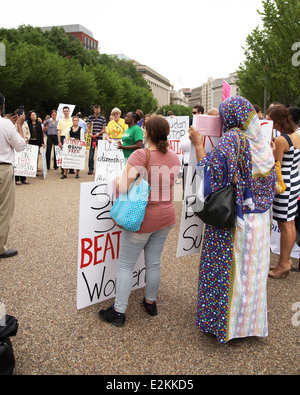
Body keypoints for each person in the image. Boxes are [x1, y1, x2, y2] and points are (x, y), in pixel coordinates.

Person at [189, 96, 276, 344]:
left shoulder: (233, 137)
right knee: (253, 275)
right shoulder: (261, 140)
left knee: (228, 271)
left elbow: (212, 173)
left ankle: (227, 327)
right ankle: (248, 325)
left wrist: (198, 145)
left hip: (235, 222)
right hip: (259, 220)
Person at [99, 115, 180, 326]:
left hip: (143, 217)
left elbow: (123, 187)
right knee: (154, 262)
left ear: (147, 132)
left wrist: (117, 181)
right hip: (166, 215)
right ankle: (150, 302)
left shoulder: (139, 155)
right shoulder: (174, 157)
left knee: (126, 265)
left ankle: (118, 312)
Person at [267, 104, 300, 279]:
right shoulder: (295, 134)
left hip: (283, 185)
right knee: (290, 223)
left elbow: (275, 163)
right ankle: (284, 261)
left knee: (285, 225)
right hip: (293, 181)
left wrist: (272, 151)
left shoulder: (281, 140)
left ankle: (283, 264)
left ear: (277, 123)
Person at [0, 93, 26, 258]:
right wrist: (19, 126)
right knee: (4, 209)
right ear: (2, 106)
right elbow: (21, 145)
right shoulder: (6, 125)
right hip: (3, 168)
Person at [86, 105, 106, 175]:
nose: (97, 110)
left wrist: (99, 133)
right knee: (91, 154)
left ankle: (100, 169)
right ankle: (90, 169)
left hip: (99, 138)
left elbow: (104, 129)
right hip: (92, 137)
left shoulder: (102, 118)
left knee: (100, 154)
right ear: (94, 110)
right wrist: (90, 133)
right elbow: (88, 127)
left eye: (98, 109)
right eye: (95, 109)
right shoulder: (90, 118)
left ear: (100, 110)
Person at [13, 108, 30, 185]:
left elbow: (28, 133)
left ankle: (24, 178)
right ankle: (17, 178)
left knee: (24, 161)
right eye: (22, 114)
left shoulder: (25, 124)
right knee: (18, 161)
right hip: (18, 144)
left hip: (25, 143)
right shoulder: (14, 124)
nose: (24, 116)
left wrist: (26, 138)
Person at [58, 106, 73, 174]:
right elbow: (59, 131)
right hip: (63, 137)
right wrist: (59, 141)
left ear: (69, 111)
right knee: (63, 154)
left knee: (71, 154)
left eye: (67, 111)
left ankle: (71, 168)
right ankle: (63, 168)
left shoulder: (72, 120)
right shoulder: (60, 121)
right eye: (65, 111)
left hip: (71, 138)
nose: (66, 112)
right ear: (63, 112)